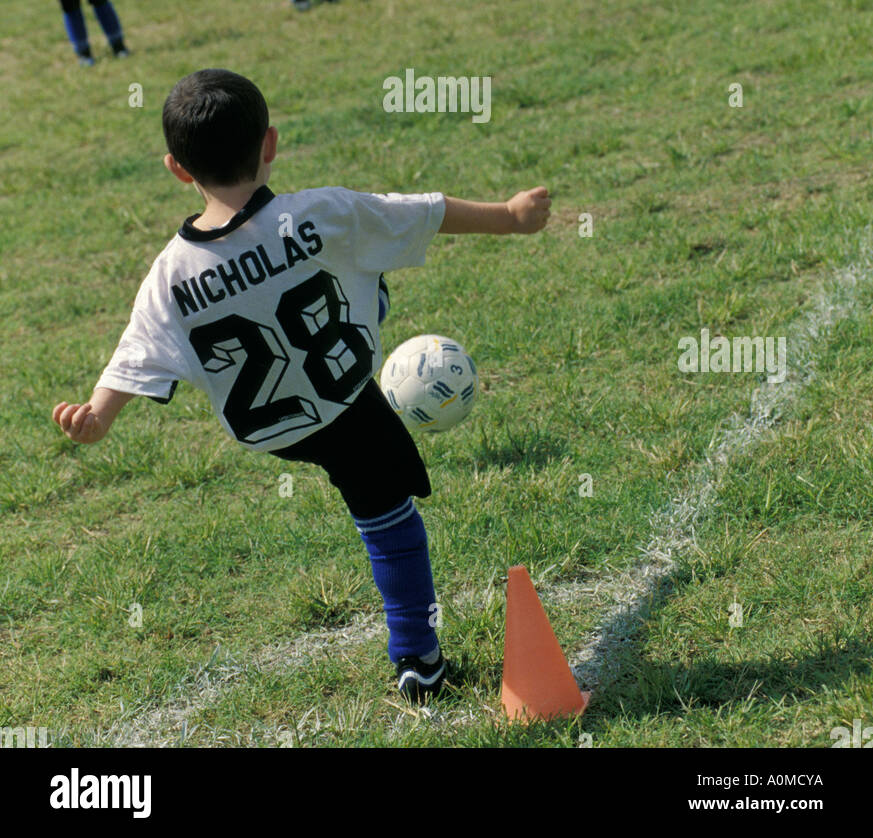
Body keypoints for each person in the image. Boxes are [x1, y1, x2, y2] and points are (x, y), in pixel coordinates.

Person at [49, 65, 553, 702]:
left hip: (271, 426)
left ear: (177, 168)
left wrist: (98, 414)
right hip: (342, 401)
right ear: (270, 144)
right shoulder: (323, 212)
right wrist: (508, 216)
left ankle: (364, 307)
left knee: (338, 301)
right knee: (389, 516)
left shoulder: (169, 275)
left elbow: (136, 352)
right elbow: (420, 213)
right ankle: (418, 659)